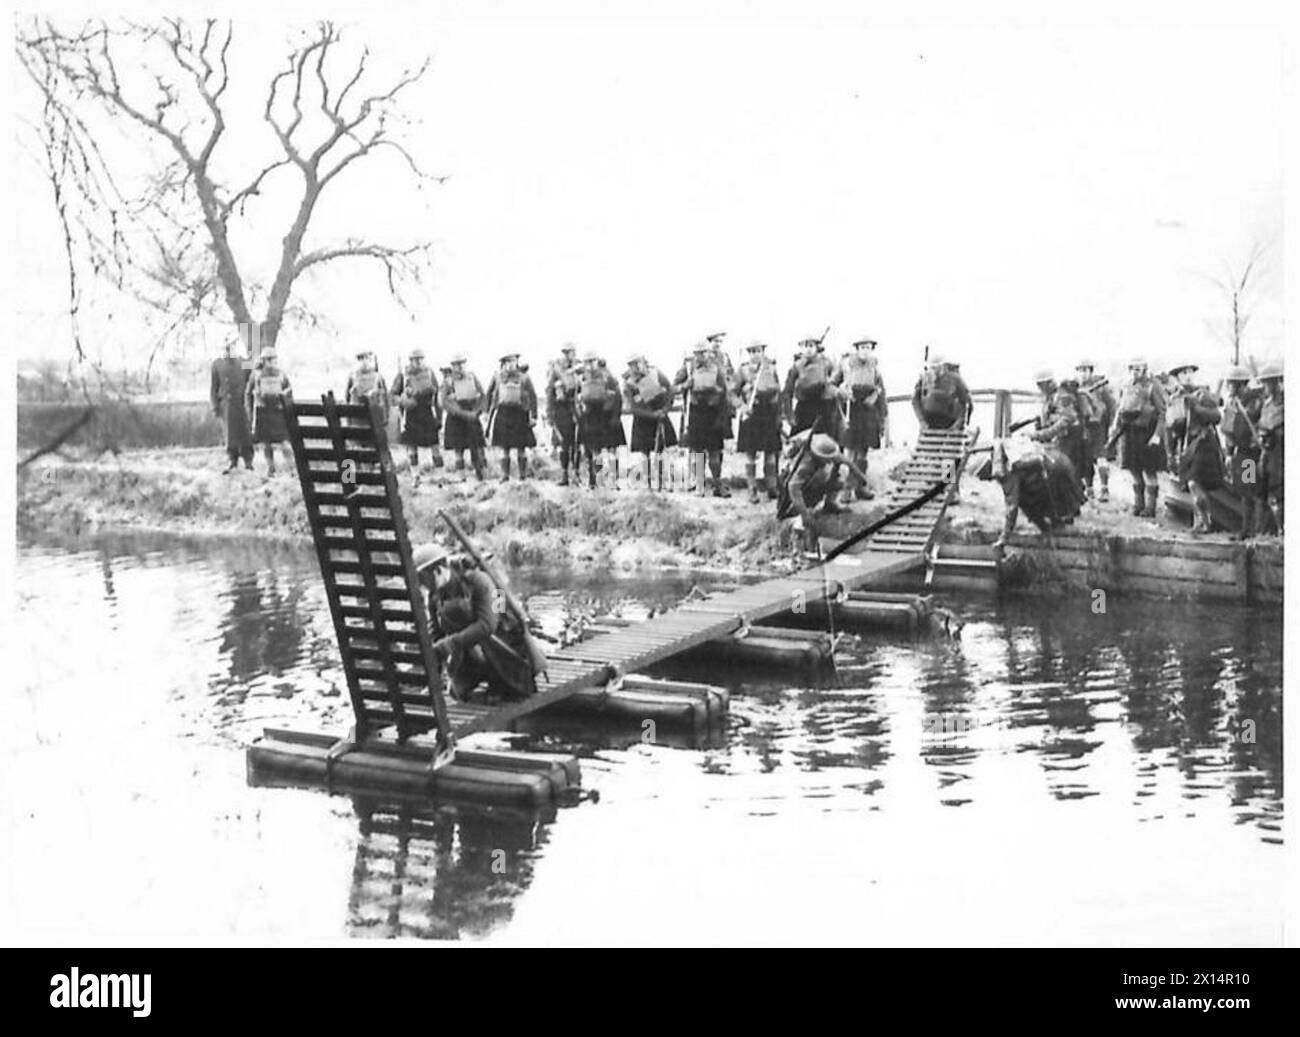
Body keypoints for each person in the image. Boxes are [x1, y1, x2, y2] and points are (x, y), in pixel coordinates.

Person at [412, 545, 537, 702]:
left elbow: (488, 625)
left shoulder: (478, 580)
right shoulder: (434, 596)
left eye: (424, 580)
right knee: (458, 692)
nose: (424, 586)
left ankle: (500, 683)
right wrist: (433, 665)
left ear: (438, 571)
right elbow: (436, 633)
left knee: (491, 638)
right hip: (469, 652)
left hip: (504, 647)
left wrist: (449, 644)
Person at [977, 436, 1086, 549]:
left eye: (983, 477)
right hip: (1058, 463)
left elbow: (1012, 507)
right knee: (1030, 497)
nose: (984, 480)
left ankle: (1051, 528)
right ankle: (1053, 525)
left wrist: (1004, 538)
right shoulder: (1010, 453)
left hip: (1053, 477)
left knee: (1023, 501)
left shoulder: (1007, 473)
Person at [776, 431, 868, 552]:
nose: (830, 460)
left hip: (816, 480)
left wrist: (861, 478)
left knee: (839, 477)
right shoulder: (807, 464)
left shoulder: (829, 452)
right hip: (801, 487)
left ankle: (830, 503)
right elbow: (793, 488)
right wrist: (804, 513)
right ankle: (800, 513)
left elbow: (847, 462)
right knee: (808, 500)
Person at [1165, 361, 1225, 534]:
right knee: (1191, 485)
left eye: (1190, 372)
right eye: (1183, 373)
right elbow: (1169, 427)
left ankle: (1205, 522)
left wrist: (1196, 408)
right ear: (1176, 378)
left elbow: (1216, 417)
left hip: (1204, 444)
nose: (1187, 376)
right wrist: (1170, 453)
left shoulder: (1202, 394)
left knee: (1194, 483)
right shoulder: (1174, 399)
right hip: (1186, 448)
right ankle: (1200, 522)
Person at [1108, 357, 1166, 519]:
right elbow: (1120, 408)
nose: (1137, 371)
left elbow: (1162, 412)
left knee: (1150, 470)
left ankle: (1150, 507)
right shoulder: (1127, 386)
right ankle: (1138, 504)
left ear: (1145, 369)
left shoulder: (1153, 386)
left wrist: (1157, 435)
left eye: (1140, 368)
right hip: (1129, 432)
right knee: (1134, 469)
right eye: (1134, 368)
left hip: (1147, 432)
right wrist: (1114, 426)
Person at [833, 337, 887, 501]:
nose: (865, 350)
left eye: (868, 347)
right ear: (856, 349)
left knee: (863, 452)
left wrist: (882, 417)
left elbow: (881, 390)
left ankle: (860, 487)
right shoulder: (846, 365)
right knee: (851, 451)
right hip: (852, 409)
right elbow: (832, 385)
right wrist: (842, 391)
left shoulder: (874, 366)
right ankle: (847, 488)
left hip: (868, 410)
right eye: (862, 347)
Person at [674, 341, 731, 497]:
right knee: (698, 452)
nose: (701, 356)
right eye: (698, 353)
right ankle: (699, 486)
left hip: (713, 412)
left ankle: (717, 485)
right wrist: (685, 385)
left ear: (709, 353)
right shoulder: (688, 368)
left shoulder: (717, 369)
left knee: (714, 452)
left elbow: (726, 392)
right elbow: (674, 388)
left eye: (704, 353)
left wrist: (717, 392)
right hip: (696, 413)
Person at [734, 341, 784, 503]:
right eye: (752, 351)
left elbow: (778, 391)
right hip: (751, 413)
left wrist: (779, 415)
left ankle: (772, 487)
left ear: (763, 351)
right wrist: (741, 406)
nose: (755, 354)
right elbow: (732, 392)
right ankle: (752, 488)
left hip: (768, 413)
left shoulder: (771, 368)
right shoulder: (742, 370)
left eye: (758, 351)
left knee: (770, 453)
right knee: (750, 453)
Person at [1220, 365, 1264, 539]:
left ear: (1240, 384)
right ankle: (1248, 530)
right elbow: (1229, 429)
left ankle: (1254, 531)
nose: (1229, 387)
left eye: (1231, 384)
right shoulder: (1234, 403)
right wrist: (1229, 454)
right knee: (1246, 491)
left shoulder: (1254, 401)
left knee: (1253, 493)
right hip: (1242, 453)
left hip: (1253, 453)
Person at [623, 352, 676, 488]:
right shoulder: (629, 383)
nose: (636, 367)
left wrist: (665, 410)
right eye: (632, 365)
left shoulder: (656, 373)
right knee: (644, 452)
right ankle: (647, 483)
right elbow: (632, 407)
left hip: (661, 416)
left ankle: (662, 481)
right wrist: (652, 415)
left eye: (638, 363)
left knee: (661, 450)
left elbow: (670, 391)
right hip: (643, 420)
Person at [486, 352, 538, 482]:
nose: (511, 365)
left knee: (521, 448)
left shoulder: (524, 378)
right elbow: (488, 393)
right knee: (505, 448)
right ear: (503, 364)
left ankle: (523, 476)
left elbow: (533, 396)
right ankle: (505, 476)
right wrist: (487, 412)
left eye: (513, 362)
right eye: (508, 362)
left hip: (520, 414)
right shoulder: (497, 377)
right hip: (503, 414)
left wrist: (534, 416)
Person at [576, 349, 623, 489]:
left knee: (612, 451)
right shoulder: (582, 378)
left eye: (592, 361)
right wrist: (579, 414)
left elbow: (618, 397)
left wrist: (616, 416)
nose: (589, 365)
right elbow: (577, 398)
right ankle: (596, 481)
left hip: (607, 417)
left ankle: (614, 481)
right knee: (593, 452)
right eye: (586, 362)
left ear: (597, 361)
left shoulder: (608, 376)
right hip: (590, 417)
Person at [392, 347, 443, 472]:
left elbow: (437, 393)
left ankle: (440, 474)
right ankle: (415, 475)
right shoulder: (403, 375)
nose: (418, 362)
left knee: (434, 445)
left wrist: (439, 415)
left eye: (420, 359)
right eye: (415, 359)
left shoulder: (429, 372)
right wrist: (403, 401)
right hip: (411, 414)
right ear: (410, 360)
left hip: (427, 411)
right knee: (412, 446)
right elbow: (393, 395)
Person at [245, 347, 293, 476]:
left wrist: (285, 401)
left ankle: (292, 469)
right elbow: (248, 393)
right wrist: (249, 411)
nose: (273, 363)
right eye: (271, 360)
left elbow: (289, 391)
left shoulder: (281, 374)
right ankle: (270, 468)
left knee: (284, 442)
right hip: (263, 412)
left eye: (274, 360)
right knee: (266, 443)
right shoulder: (256, 374)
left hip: (278, 412)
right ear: (265, 360)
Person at [440, 352, 487, 480]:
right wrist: (457, 411)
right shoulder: (448, 382)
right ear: (453, 366)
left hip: (472, 414)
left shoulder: (472, 377)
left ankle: (480, 472)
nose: (459, 367)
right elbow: (442, 402)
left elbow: (482, 395)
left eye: (461, 364)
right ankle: (461, 477)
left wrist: (477, 411)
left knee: (477, 446)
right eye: (456, 364)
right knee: (458, 449)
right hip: (456, 417)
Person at [209, 338, 253, 472]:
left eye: (231, 347)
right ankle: (232, 461)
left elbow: (251, 382)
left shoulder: (244, 362)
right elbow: (214, 387)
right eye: (226, 348)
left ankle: (248, 461)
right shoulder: (217, 364)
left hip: (242, 403)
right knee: (230, 434)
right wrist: (215, 405)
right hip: (227, 404)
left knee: (245, 432)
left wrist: (251, 403)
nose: (228, 350)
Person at [1075, 359, 1115, 501]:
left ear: (1091, 371)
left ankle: (1104, 489)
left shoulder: (1100, 387)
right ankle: (1089, 489)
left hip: (1098, 427)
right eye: (1080, 370)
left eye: (1085, 370)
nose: (1083, 374)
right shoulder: (1076, 387)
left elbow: (1111, 406)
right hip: (1082, 428)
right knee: (1086, 459)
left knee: (1101, 458)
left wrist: (1111, 426)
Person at [783, 336, 840, 435]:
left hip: (823, 407)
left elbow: (836, 380)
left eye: (811, 345)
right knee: (799, 442)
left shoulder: (826, 363)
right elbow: (787, 392)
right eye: (805, 346)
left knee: (825, 443)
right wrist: (790, 415)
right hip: (804, 409)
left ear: (816, 347)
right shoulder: (797, 366)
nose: (808, 349)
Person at [545, 344, 582, 485]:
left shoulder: (580, 367)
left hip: (578, 407)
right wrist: (549, 412)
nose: (569, 355)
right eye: (567, 353)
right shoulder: (556, 368)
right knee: (564, 444)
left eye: (571, 352)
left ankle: (577, 474)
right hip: (562, 409)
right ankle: (565, 475)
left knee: (578, 443)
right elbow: (549, 391)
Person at [1256, 363, 1284, 535]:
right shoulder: (1265, 404)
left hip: (1275, 452)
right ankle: (1252, 528)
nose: (1265, 387)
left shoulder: (1284, 403)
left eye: (1267, 383)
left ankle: (1280, 530)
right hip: (1249, 456)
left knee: (1275, 491)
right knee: (1252, 490)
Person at [911, 353, 972, 430]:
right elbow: (915, 401)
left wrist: (958, 423)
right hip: (929, 424)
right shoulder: (924, 379)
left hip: (950, 423)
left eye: (937, 368)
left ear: (943, 367)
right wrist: (921, 421)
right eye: (932, 368)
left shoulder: (955, 379)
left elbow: (966, 403)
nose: (935, 371)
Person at [346, 348, 390, 425]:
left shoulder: (352, 377)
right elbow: (385, 401)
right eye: (361, 358)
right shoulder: (378, 377)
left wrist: (348, 422)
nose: (364, 361)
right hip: (374, 424)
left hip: (356, 425)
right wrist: (385, 419)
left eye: (366, 357)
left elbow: (347, 400)